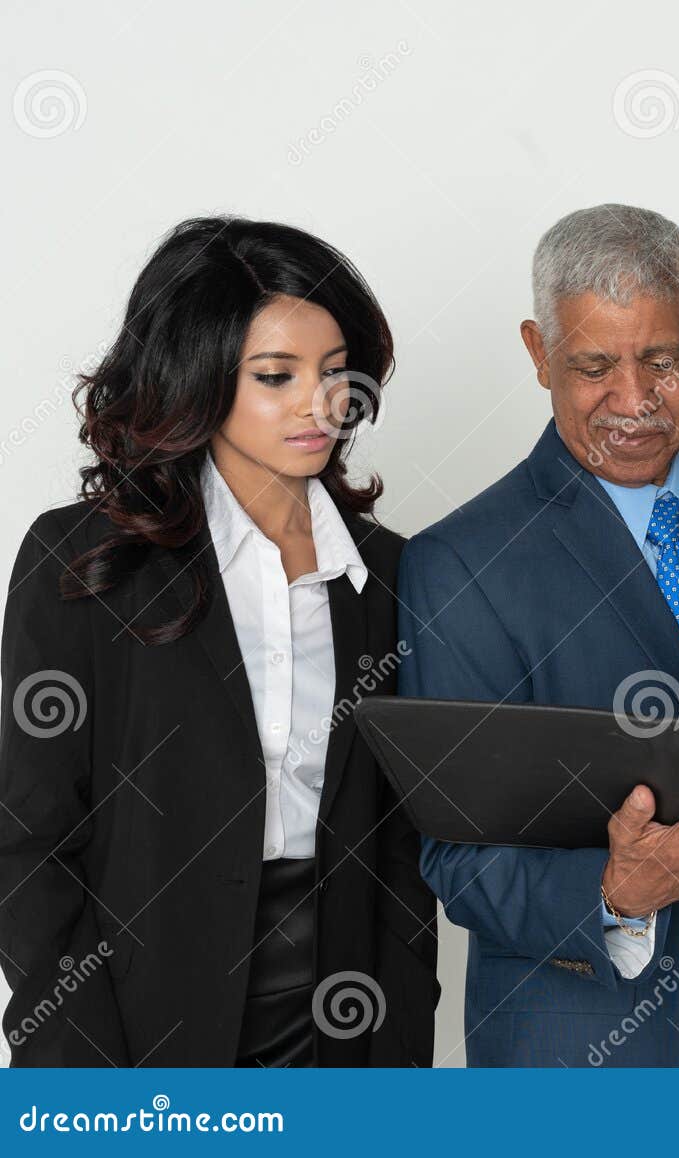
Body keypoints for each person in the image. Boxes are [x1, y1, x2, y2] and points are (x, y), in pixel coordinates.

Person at [398, 204, 679, 1067]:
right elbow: (458, 856)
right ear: (538, 353)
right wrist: (618, 890)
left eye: (664, 360)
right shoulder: (460, 563)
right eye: (594, 365)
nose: (634, 401)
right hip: (589, 1056)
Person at [0, 217, 439, 1066]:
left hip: (345, 1028)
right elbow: (27, 840)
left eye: (336, 372)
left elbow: (398, 847)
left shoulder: (384, 573)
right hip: (132, 1024)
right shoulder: (84, 561)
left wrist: (398, 1049)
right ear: (196, 379)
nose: (324, 405)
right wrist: (82, 1069)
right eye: (277, 376)